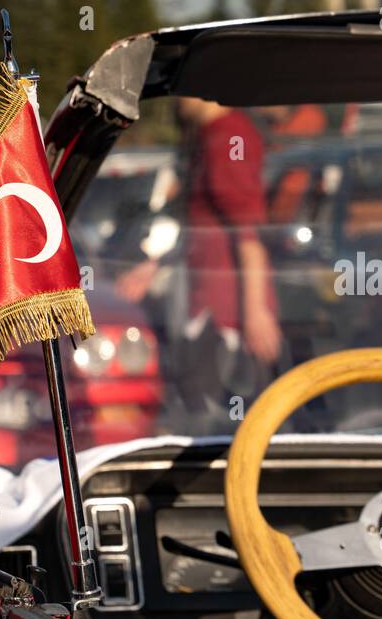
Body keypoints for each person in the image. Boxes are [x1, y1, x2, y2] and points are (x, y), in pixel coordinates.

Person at [118, 98, 282, 422]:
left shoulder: (230, 137)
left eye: (184, 90)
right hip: (208, 313)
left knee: (218, 423)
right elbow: (201, 229)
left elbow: (249, 233)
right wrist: (154, 267)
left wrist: (254, 312)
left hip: (226, 321)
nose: (177, 99)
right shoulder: (209, 136)